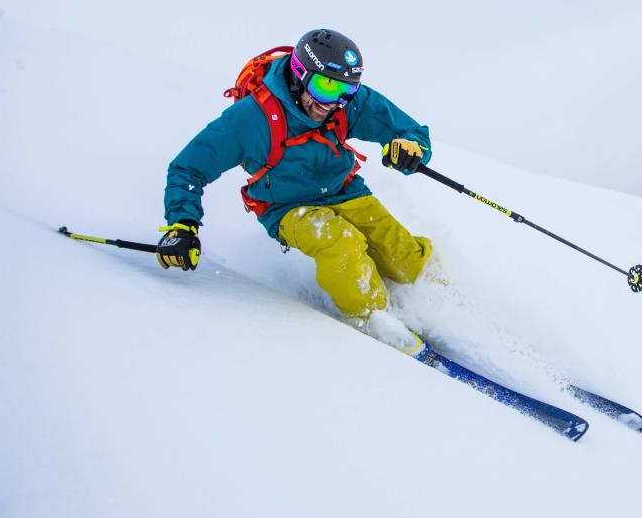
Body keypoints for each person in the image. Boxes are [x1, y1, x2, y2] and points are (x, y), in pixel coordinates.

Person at [156, 28, 434, 354]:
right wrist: (183, 224)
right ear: (300, 74)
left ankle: (435, 299)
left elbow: (410, 131)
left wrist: (410, 149)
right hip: (285, 206)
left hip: (343, 190)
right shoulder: (250, 119)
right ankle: (373, 320)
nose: (334, 102)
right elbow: (188, 168)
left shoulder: (344, 104)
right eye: (325, 87)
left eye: (346, 90)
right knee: (339, 240)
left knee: (399, 250)